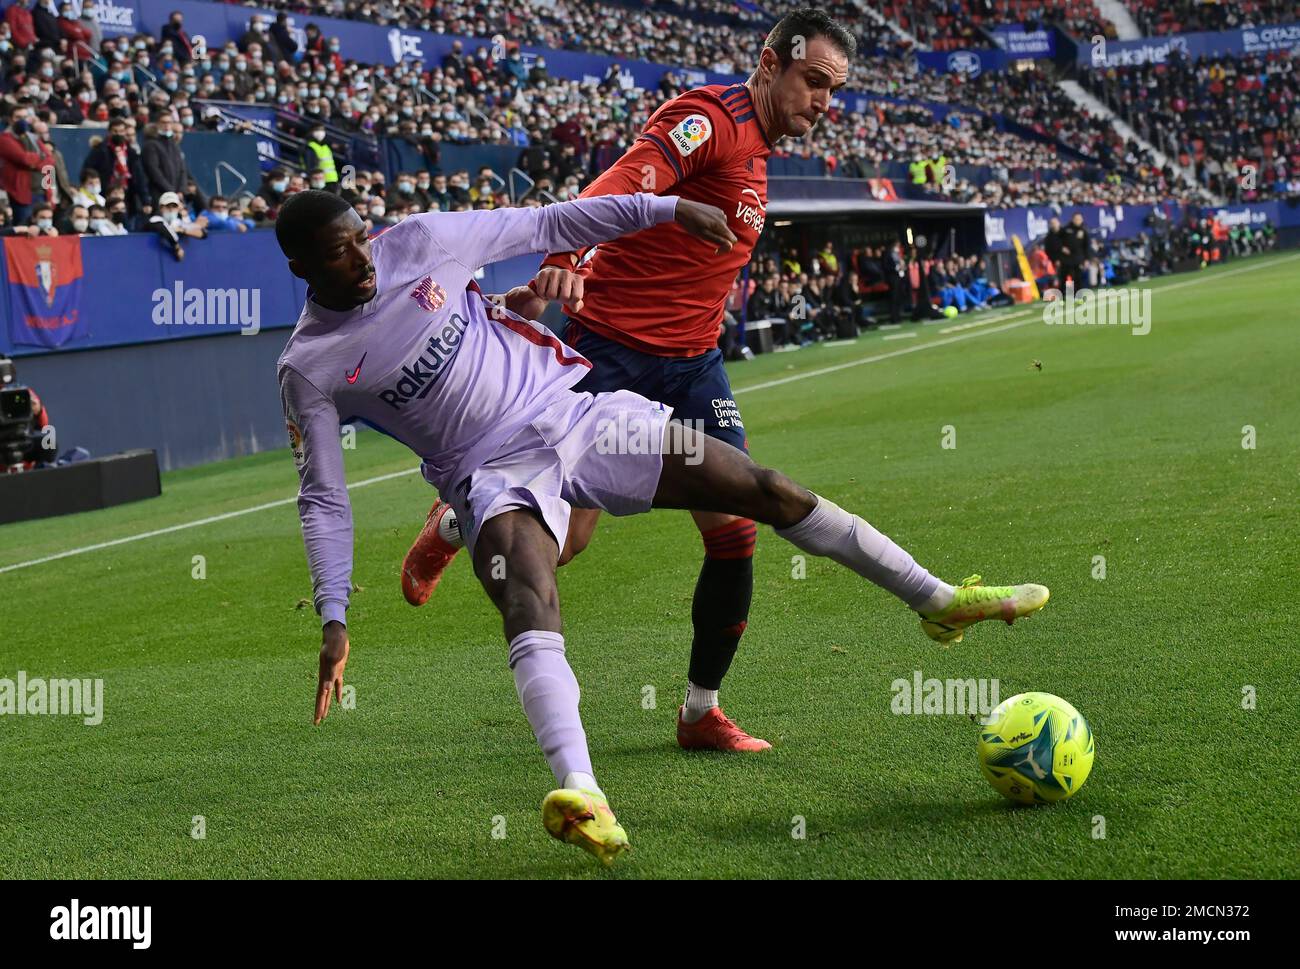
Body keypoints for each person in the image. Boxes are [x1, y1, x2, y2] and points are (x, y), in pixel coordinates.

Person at [275, 189, 1049, 866]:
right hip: (492, 477)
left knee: (764, 489)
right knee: (530, 593)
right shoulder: (310, 365)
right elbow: (324, 498)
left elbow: (555, 219)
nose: (363, 257)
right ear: (302, 270)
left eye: (360, 236)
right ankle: (582, 791)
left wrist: (666, 209)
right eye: (340, 253)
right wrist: (335, 615)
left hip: (580, 418)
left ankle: (937, 600)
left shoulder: (419, 241)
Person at [401, 7, 854, 753]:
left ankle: (700, 710)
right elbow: (626, 180)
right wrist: (567, 257)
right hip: (608, 348)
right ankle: (452, 524)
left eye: (833, 91)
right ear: (770, 64)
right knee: (563, 538)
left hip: (694, 365)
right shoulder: (707, 120)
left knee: (737, 527)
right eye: (813, 82)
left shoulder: (760, 151)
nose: (822, 103)